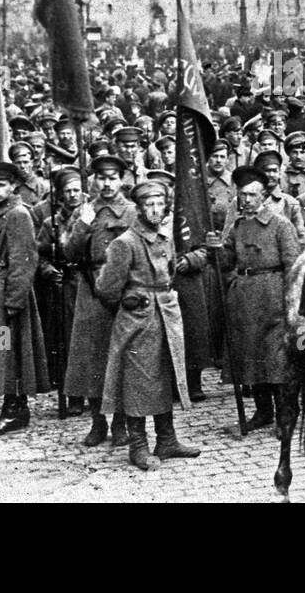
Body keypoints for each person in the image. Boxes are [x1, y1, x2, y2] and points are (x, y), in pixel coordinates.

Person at [97, 181, 202, 470]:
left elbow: (169, 274)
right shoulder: (125, 243)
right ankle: (138, 446)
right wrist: (131, 299)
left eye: (159, 204)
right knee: (138, 382)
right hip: (138, 322)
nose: (155, 209)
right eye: (149, 205)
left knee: (165, 374)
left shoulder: (166, 237)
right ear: (139, 209)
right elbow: (107, 289)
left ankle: (167, 440)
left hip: (166, 316)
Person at [203, 165, 301, 431]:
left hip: (275, 298)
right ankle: (262, 412)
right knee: (252, 356)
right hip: (245, 301)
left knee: (277, 361)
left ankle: (285, 416)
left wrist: (290, 304)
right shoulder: (238, 226)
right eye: (242, 195)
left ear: (264, 196)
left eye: (251, 195)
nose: (246, 200)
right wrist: (215, 250)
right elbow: (226, 262)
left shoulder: (281, 225)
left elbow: (294, 266)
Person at [0, 160, 51, 437]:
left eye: (1, 185)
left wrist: (14, 301)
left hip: (6, 297)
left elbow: (23, 260)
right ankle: (11, 404)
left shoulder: (18, 214)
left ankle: (15, 408)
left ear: (14, 185)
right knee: (1, 349)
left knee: (8, 349)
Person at [64, 154, 134, 445]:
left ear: (121, 179)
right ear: (93, 180)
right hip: (90, 289)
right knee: (90, 360)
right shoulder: (85, 210)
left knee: (119, 358)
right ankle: (97, 423)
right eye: (101, 178)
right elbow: (69, 253)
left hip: (122, 291)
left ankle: (120, 424)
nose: (107, 183)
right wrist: (82, 224)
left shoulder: (132, 212)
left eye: (112, 177)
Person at [34, 168, 85, 415]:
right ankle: (73, 394)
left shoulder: (92, 216)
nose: (73, 195)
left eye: (77, 189)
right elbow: (38, 255)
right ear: (61, 195)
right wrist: (48, 270)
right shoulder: (50, 223)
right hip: (65, 286)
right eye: (68, 191)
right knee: (67, 342)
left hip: (89, 283)